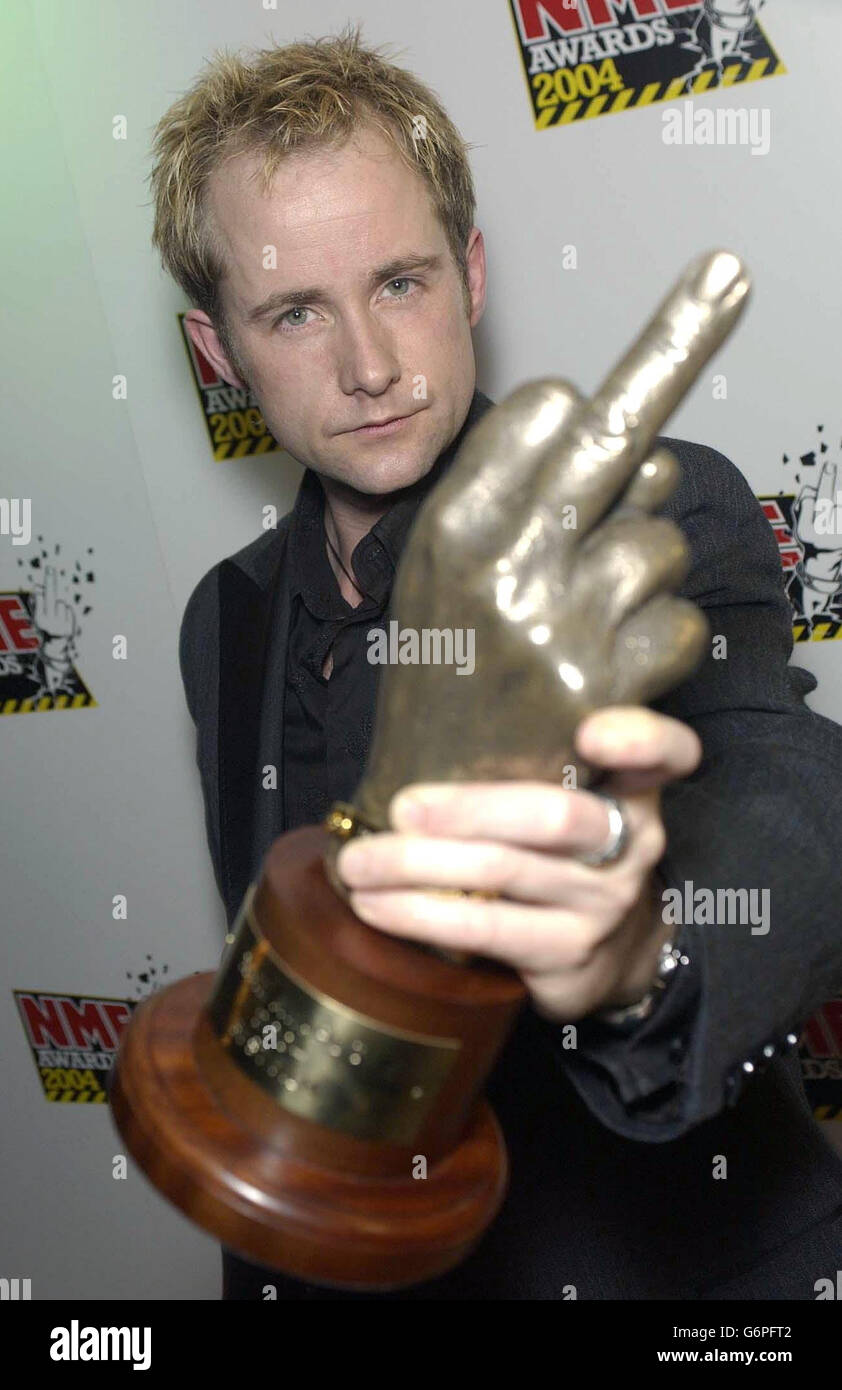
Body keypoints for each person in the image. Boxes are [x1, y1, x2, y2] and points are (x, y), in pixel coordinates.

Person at [155, 25, 842, 1299]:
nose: (367, 367)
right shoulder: (224, 616)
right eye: (295, 312)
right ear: (219, 355)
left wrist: (639, 957)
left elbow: (782, 782)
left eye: (400, 283)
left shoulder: (643, 516)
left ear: (470, 275)